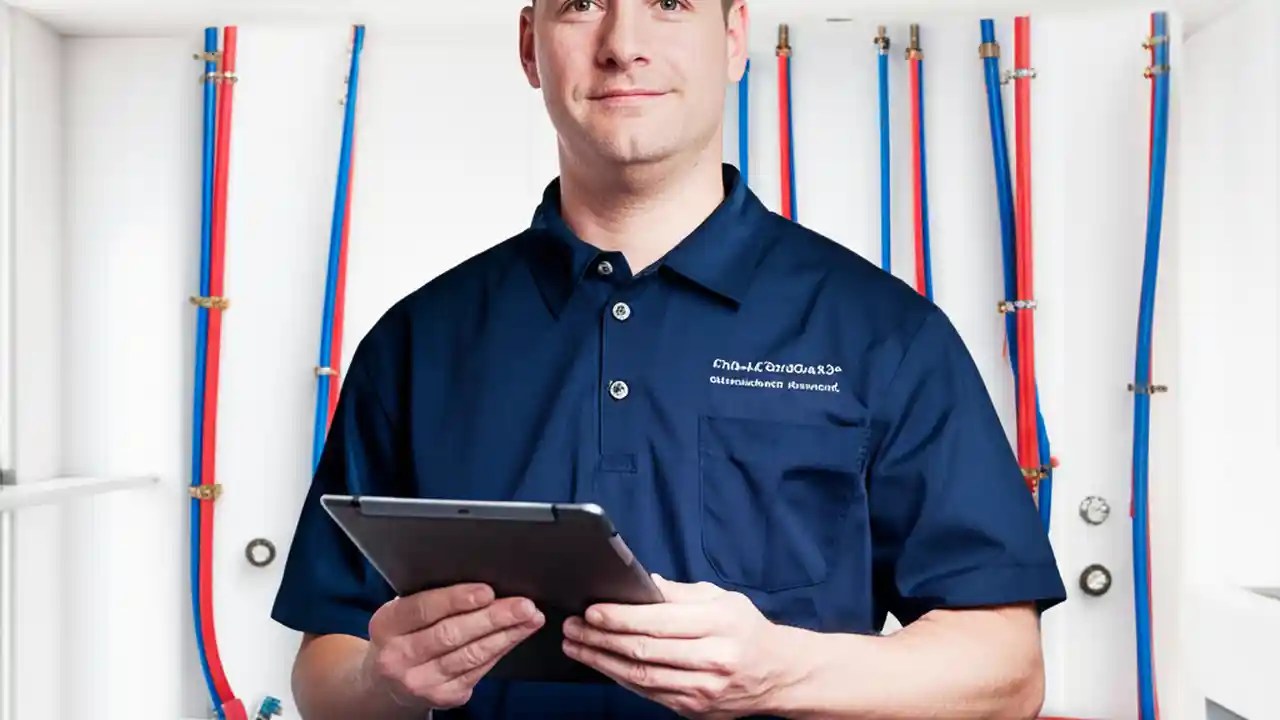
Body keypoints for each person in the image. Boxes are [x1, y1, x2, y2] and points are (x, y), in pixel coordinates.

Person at [271, 0, 1067, 717]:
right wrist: (386, 679)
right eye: (582, 5)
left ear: (732, 38)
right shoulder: (417, 342)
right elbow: (325, 667)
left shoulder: (884, 333)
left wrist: (783, 672)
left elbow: (1007, 671)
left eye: (670, 4)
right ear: (529, 44)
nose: (624, 44)